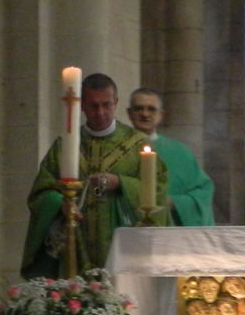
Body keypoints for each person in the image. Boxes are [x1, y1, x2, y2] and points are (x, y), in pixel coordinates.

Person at [21, 73, 164, 277]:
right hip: (76, 242)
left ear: (116, 103)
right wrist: (61, 203)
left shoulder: (138, 144)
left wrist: (121, 183)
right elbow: (41, 192)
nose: (100, 112)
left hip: (121, 244)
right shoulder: (64, 146)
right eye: (93, 106)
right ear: (82, 106)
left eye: (106, 104)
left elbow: (158, 188)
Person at [125, 89, 215, 227]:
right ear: (129, 113)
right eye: (139, 109)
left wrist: (174, 203)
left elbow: (202, 193)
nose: (145, 114)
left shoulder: (180, 153)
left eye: (151, 109)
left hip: (169, 233)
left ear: (161, 115)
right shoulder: (117, 150)